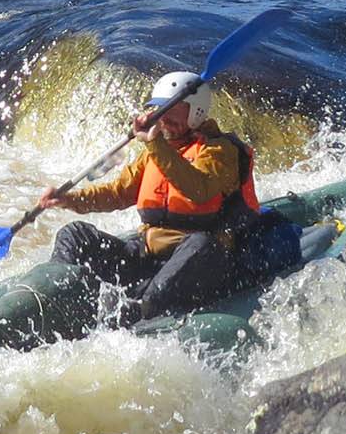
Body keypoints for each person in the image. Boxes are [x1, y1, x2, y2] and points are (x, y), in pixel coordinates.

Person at [36, 70, 260, 324]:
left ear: (196, 112)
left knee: (200, 244)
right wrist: (69, 200)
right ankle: (59, 297)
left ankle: (140, 311)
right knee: (75, 234)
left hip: (200, 261)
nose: (165, 118)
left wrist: (155, 143)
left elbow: (199, 190)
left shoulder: (219, 150)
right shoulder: (157, 150)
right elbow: (118, 192)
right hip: (149, 254)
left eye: (173, 110)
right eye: (161, 109)